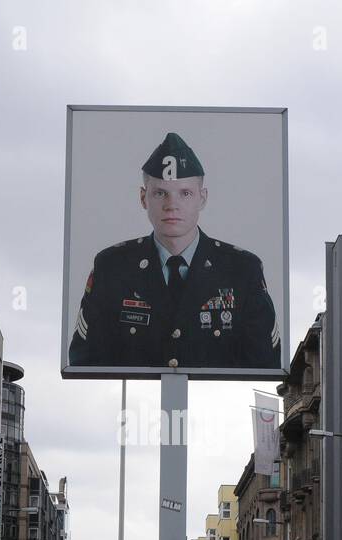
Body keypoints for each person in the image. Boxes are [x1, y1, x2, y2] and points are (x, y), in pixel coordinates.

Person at [67, 132, 281, 370]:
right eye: (160, 193)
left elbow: (265, 365)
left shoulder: (242, 270)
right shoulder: (112, 267)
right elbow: (84, 363)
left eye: (185, 193)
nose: (171, 205)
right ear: (143, 198)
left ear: (203, 198)